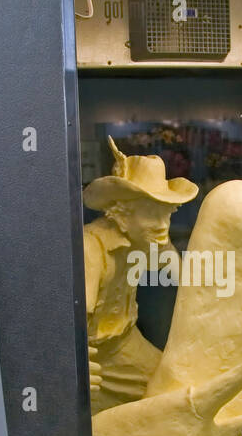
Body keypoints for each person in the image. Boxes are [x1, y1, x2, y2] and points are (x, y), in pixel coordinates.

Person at [82, 137, 197, 414]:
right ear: (121, 213)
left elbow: (187, 285)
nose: (162, 226)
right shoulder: (90, 247)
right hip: (96, 357)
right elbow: (71, 325)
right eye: (151, 215)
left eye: (167, 215)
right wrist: (74, 366)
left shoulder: (144, 239)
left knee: (173, 386)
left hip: (126, 344)